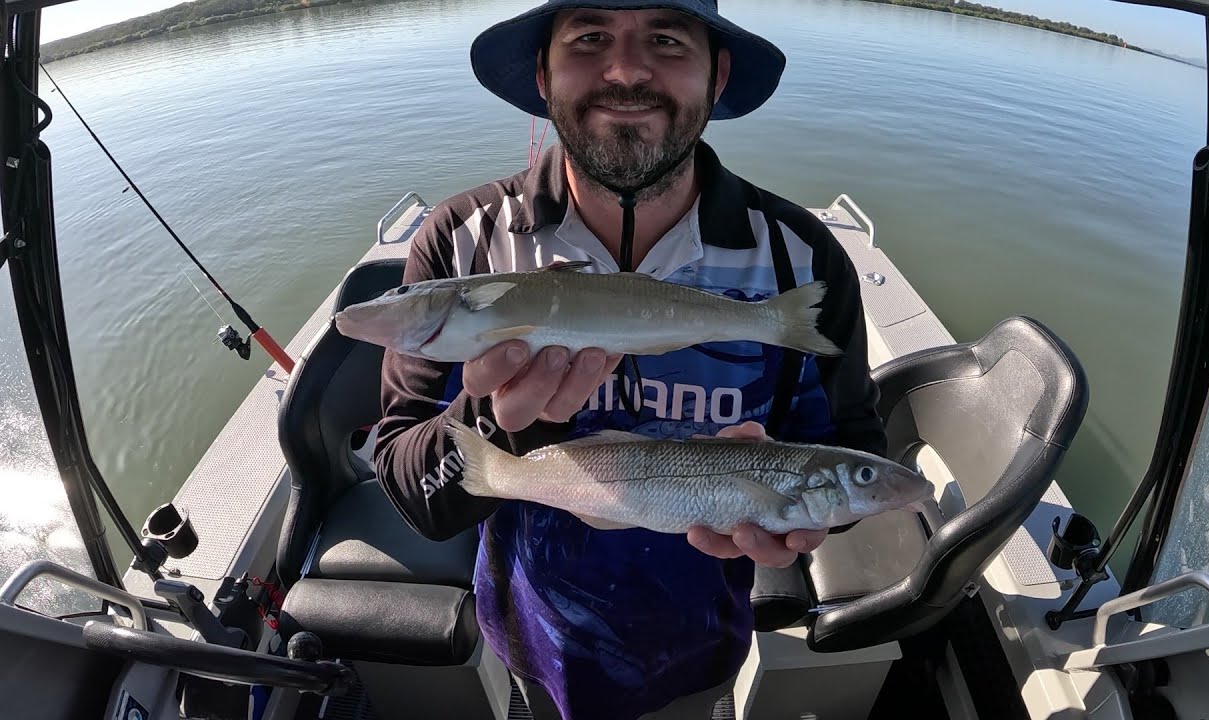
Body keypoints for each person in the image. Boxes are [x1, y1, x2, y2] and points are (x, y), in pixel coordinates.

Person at [373, 1, 887, 718]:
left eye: (667, 38)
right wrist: (497, 424)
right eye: (588, 37)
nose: (625, 69)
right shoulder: (463, 245)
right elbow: (410, 487)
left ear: (719, 74)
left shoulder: (799, 259)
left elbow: (855, 446)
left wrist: (794, 502)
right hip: (532, 641)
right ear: (543, 77)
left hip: (700, 647)